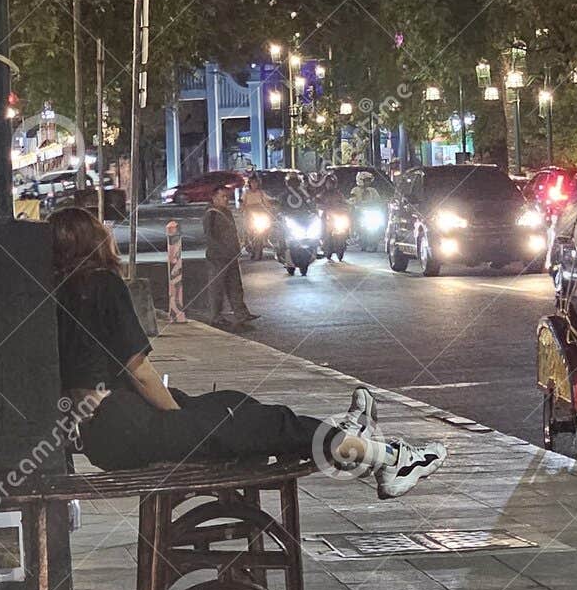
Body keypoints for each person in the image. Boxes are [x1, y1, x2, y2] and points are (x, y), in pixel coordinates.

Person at [50, 207, 447, 494]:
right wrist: (181, 421)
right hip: (122, 424)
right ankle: (387, 457)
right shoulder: (101, 283)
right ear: (95, 242)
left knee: (232, 402)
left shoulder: (58, 293)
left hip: (102, 430)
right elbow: (139, 371)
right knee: (268, 425)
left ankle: (355, 443)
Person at [203, 183, 256, 327]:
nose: (226, 199)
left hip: (231, 255)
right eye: (223, 196)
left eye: (227, 196)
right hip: (218, 258)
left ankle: (241, 313)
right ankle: (215, 316)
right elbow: (210, 237)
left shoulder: (226, 212)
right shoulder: (211, 214)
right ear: (214, 198)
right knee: (217, 288)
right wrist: (220, 252)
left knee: (235, 286)